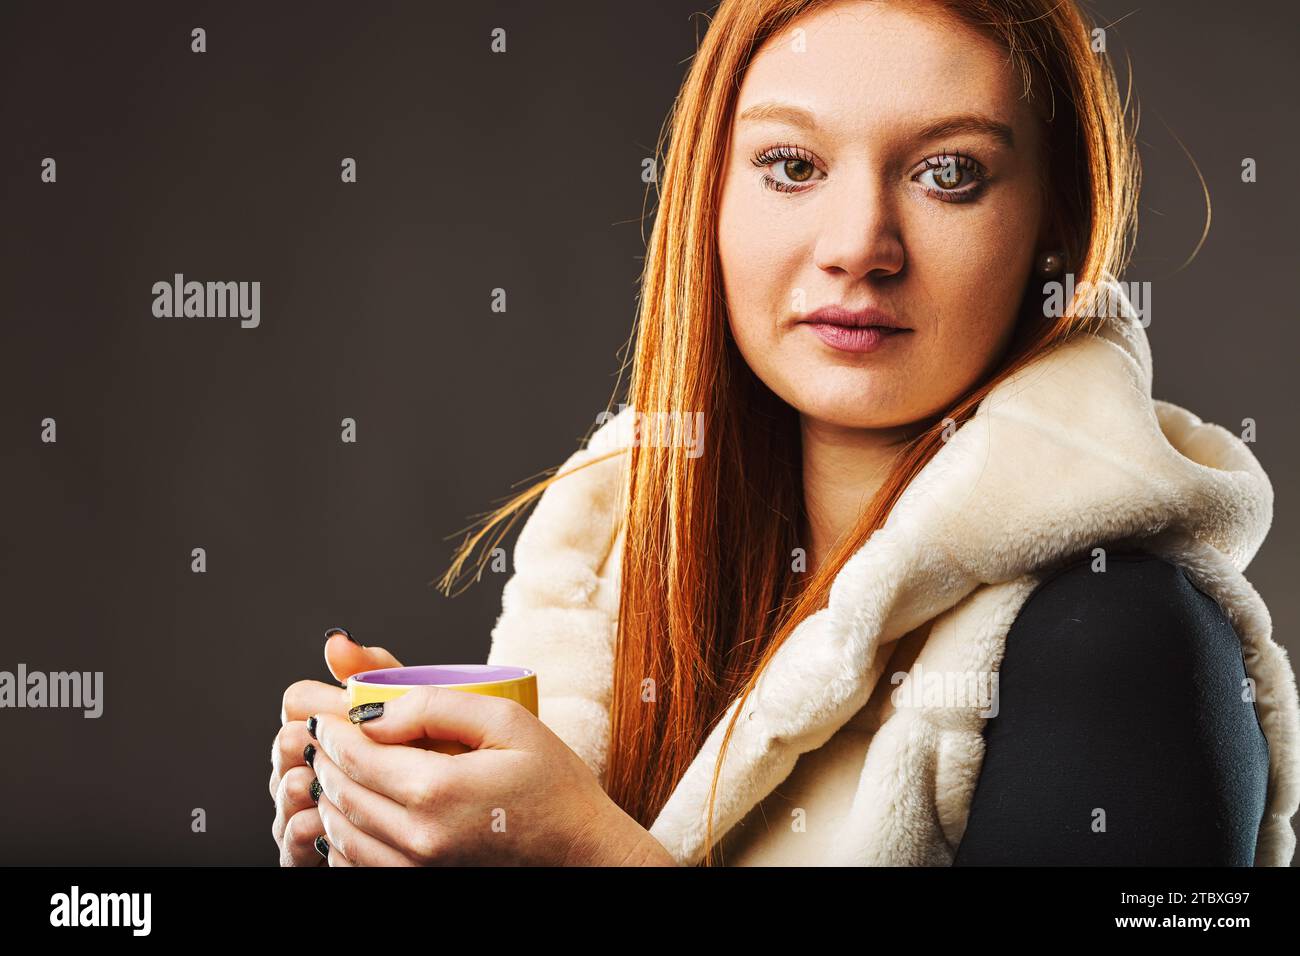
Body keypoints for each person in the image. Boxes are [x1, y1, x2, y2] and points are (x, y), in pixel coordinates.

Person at [270, 0, 1300, 866]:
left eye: (948, 172)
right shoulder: (616, 569)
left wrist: (589, 852)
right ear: (707, 199)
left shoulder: (1124, 639)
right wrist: (396, 824)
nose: (858, 245)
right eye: (791, 163)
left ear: (1055, 226)